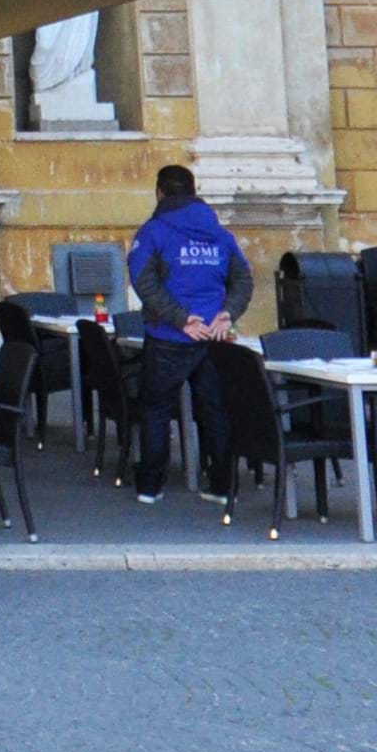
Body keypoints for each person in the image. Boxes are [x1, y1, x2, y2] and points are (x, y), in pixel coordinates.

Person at [125, 164, 252, 507]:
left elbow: (144, 282)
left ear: (160, 193)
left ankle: (151, 487)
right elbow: (243, 279)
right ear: (195, 193)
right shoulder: (220, 234)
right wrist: (227, 314)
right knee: (214, 410)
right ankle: (223, 486)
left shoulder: (153, 232)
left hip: (169, 336)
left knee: (155, 409)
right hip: (214, 336)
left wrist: (180, 319)